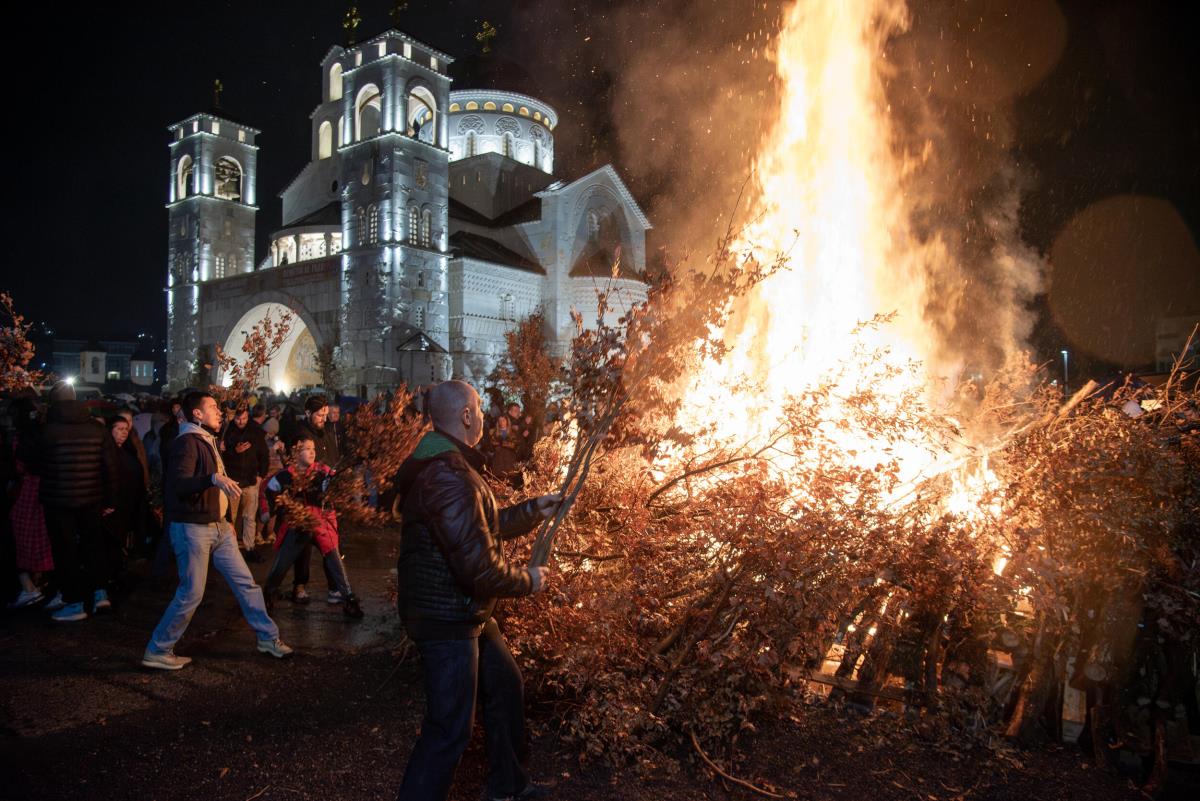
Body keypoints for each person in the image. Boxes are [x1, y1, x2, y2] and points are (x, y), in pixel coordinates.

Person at [393, 380, 559, 801]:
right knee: (449, 730)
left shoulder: (449, 465)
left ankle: (508, 785)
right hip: (447, 617)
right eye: (480, 408)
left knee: (505, 683)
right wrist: (530, 580)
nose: (485, 415)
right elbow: (479, 568)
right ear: (466, 416)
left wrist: (531, 511)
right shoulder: (447, 474)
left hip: (465, 611)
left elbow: (474, 527)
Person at [142, 391, 292, 670]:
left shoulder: (205, 439)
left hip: (219, 527)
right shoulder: (187, 442)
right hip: (193, 527)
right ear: (196, 414)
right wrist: (212, 478)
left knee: (246, 585)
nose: (220, 412)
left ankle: (268, 637)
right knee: (191, 593)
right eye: (212, 407)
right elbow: (178, 485)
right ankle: (158, 648)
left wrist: (223, 510)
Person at [38, 381, 119, 622]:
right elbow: (111, 467)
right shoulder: (96, 428)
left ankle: (74, 602)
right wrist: (111, 499)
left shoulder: (47, 430)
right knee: (94, 546)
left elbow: (33, 461)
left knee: (66, 551)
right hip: (91, 499)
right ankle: (100, 594)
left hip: (58, 501)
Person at [260, 436, 363, 618]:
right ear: (296, 453)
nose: (312, 452)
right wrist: (270, 509)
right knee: (283, 561)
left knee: (334, 559)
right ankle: (267, 594)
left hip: (321, 522)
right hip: (298, 523)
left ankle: (349, 599)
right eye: (307, 449)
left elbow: (335, 483)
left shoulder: (322, 471)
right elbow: (268, 489)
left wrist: (345, 476)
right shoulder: (287, 474)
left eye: (313, 448)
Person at [6, 397, 51, 608]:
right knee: (41, 538)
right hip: (44, 490)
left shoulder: (19, 439)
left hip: (26, 491)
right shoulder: (44, 434)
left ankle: (29, 587)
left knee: (19, 540)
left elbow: (18, 467)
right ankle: (39, 582)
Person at [222, 406, 269, 561]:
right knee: (231, 517)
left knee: (249, 517)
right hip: (233, 480)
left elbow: (264, 454)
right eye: (237, 418)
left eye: (243, 418)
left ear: (248, 416)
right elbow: (222, 456)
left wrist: (261, 475)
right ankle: (228, 549)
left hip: (250, 479)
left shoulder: (256, 432)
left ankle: (250, 548)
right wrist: (234, 452)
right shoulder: (227, 432)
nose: (240, 421)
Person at [106, 416, 148, 568]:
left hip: (129, 502)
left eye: (126, 430)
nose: (124, 433)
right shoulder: (108, 452)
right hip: (115, 503)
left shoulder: (128, 450)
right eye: (120, 429)